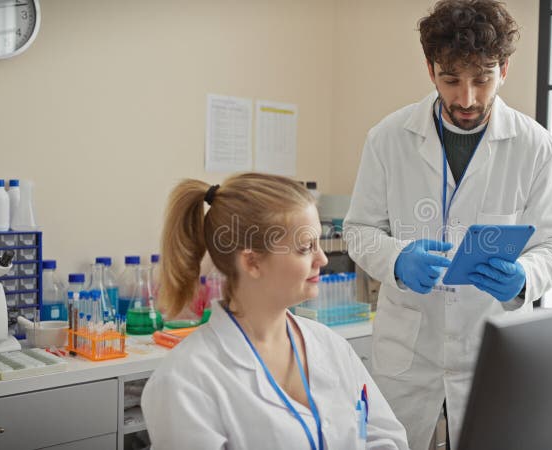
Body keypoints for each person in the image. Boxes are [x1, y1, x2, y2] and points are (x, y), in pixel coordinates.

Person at [343, 1, 552, 448]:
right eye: (451, 80)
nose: (467, 99)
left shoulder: (535, 147)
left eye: (482, 79)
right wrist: (395, 259)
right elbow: (359, 229)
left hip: (489, 352)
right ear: (431, 70)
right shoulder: (388, 138)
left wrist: (526, 277)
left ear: (504, 69)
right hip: (408, 356)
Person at [141, 173, 409, 450]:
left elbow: (385, 438)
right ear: (252, 262)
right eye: (306, 248)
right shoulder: (186, 381)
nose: (323, 259)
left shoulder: (332, 347)